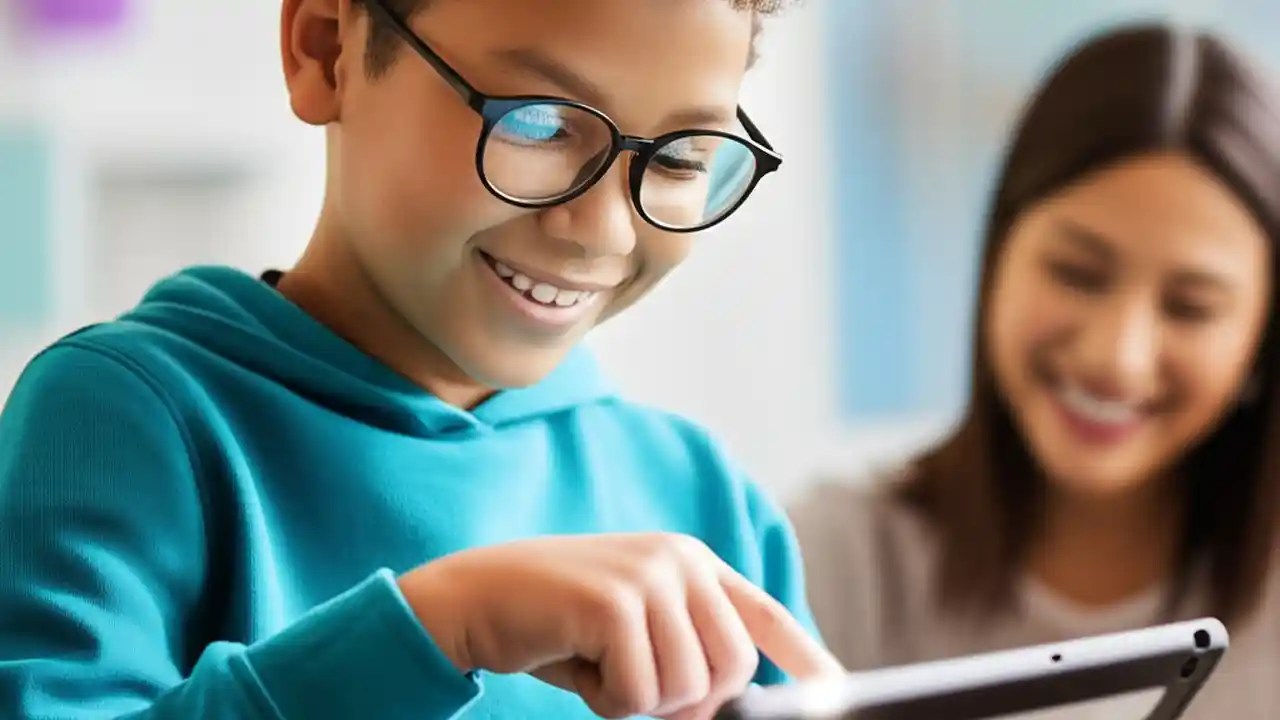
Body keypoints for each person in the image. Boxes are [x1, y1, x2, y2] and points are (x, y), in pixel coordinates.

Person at [0, 1, 842, 718]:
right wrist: (442, 628)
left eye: (682, 157)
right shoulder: (121, 418)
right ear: (325, 50)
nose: (605, 230)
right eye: (539, 122)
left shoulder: (704, 497)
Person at [792, 23, 1280, 718]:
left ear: (1262, 338)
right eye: (1076, 273)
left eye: (1190, 307)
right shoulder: (835, 561)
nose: (1117, 358)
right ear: (998, 259)